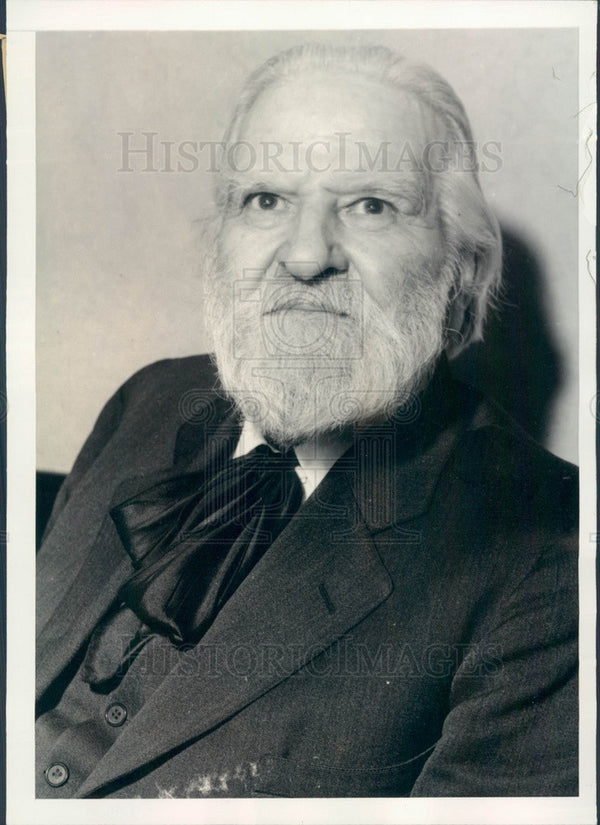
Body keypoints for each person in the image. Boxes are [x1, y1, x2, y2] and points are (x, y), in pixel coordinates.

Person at [36, 44, 578, 798]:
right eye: (266, 199)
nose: (304, 253)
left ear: (460, 267)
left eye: (371, 205)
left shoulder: (549, 550)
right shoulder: (151, 400)